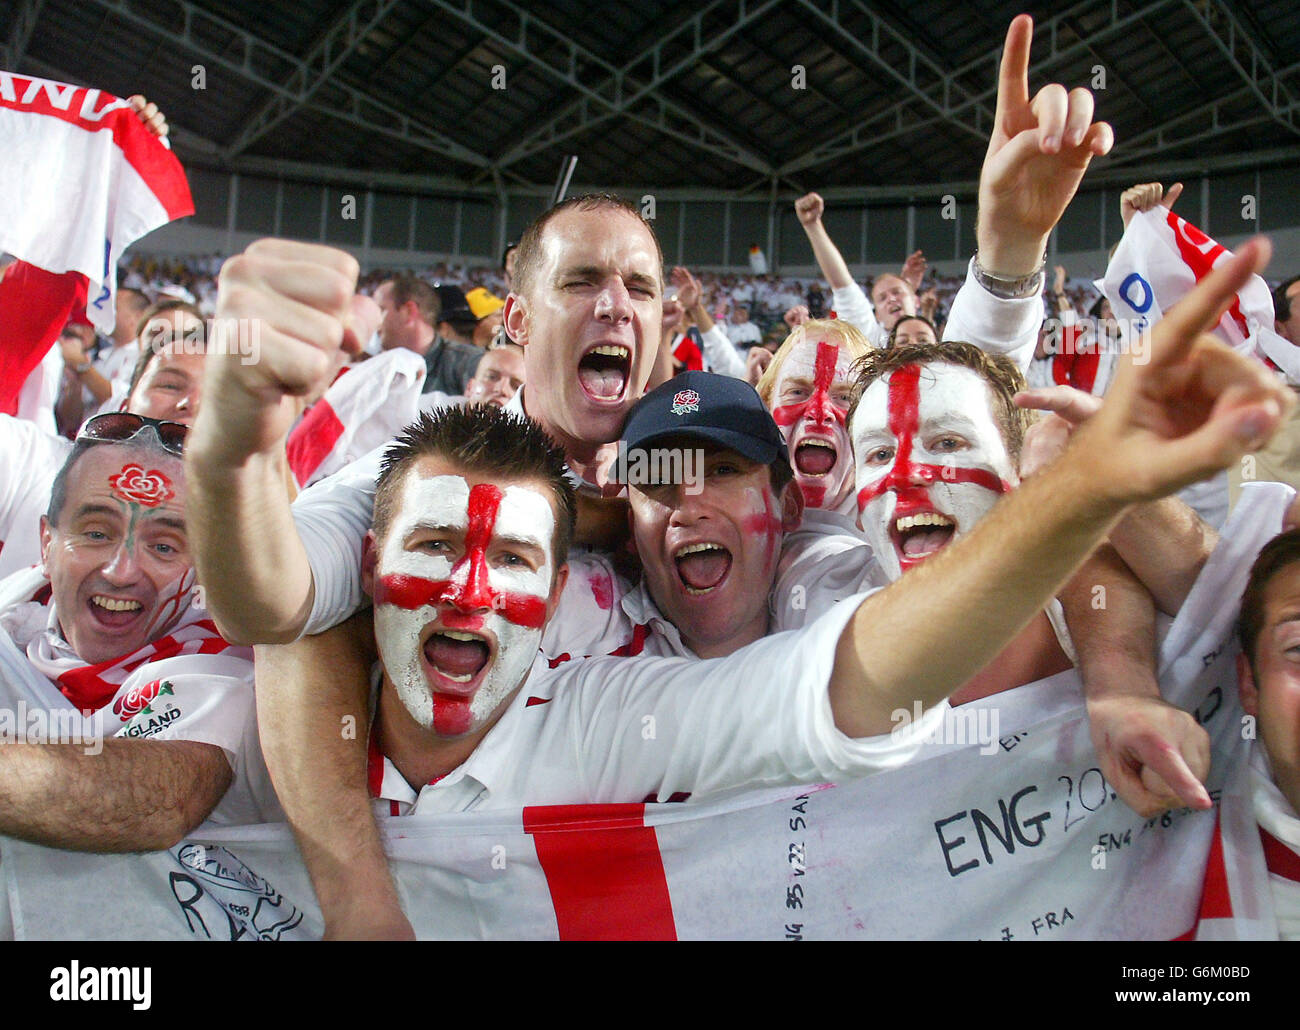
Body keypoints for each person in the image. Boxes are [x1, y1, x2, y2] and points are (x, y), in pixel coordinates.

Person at [0, 414, 271, 850]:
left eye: (163, 546)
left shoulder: (228, 671)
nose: (120, 571)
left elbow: (159, 801)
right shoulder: (12, 619)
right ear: (47, 544)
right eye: (95, 533)